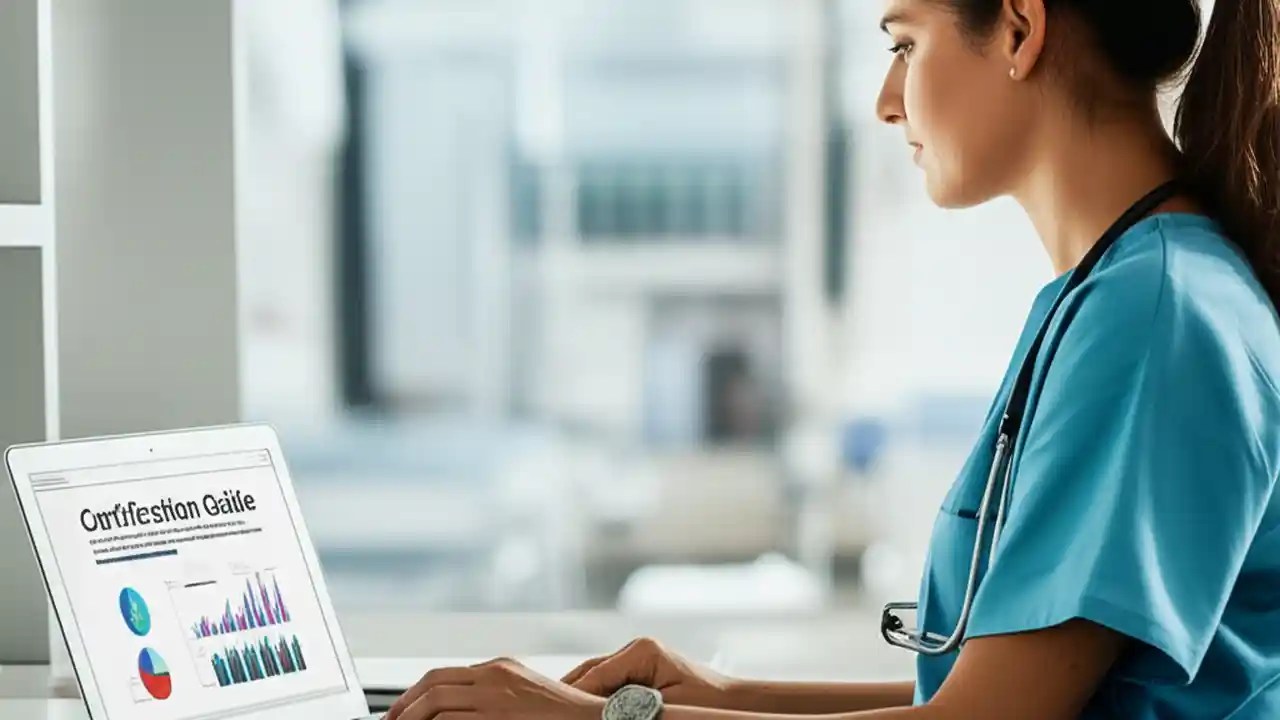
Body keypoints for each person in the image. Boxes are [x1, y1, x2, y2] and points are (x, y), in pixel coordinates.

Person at [385, 0, 1280, 717]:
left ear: (1018, 28)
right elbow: (996, 694)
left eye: (904, 43)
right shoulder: (1125, 292)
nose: (887, 100)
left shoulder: (1153, 314)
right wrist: (733, 695)